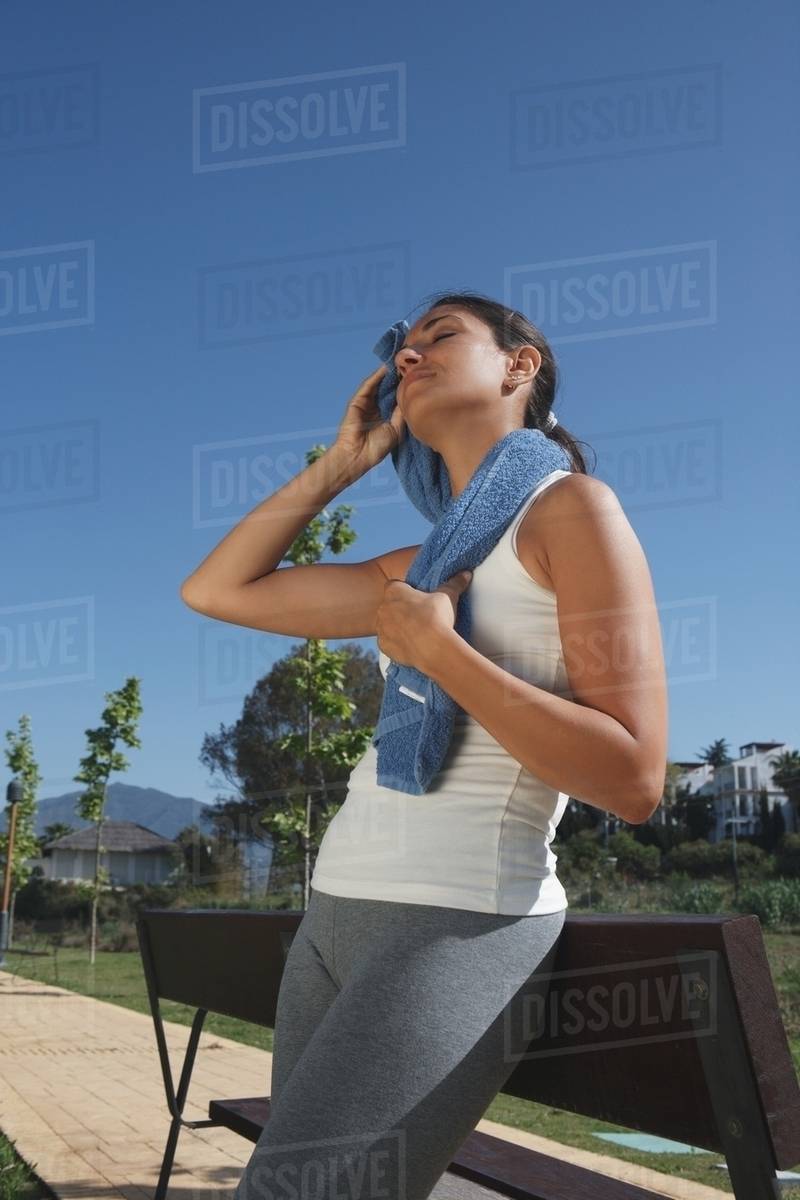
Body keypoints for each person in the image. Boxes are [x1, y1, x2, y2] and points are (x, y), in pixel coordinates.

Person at [180, 289, 669, 1200]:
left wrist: (441, 653)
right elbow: (218, 591)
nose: (409, 355)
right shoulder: (423, 564)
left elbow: (636, 777)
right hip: (335, 914)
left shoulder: (574, 513)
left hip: (454, 923)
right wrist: (339, 465)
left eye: (442, 337)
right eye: (403, 348)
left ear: (520, 366)